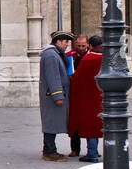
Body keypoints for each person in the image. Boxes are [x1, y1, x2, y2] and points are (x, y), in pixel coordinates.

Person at [39, 30, 74, 161]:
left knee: (52, 122)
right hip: (52, 96)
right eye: (66, 42)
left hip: (53, 94)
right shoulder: (51, 55)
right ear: (58, 41)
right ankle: (49, 151)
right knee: (51, 123)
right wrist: (58, 96)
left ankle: (49, 149)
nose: (67, 46)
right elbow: (53, 77)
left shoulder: (54, 54)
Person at [68, 35, 103, 161]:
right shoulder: (107, 58)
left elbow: (77, 78)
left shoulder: (88, 59)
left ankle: (92, 153)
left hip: (87, 98)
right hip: (102, 97)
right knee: (99, 124)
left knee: (91, 126)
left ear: (90, 46)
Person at [68, 34, 89, 157]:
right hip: (74, 92)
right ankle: (75, 149)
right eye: (79, 45)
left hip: (86, 93)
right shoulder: (71, 56)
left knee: (87, 122)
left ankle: (91, 149)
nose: (81, 48)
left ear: (87, 45)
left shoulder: (90, 56)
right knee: (74, 122)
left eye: (83, 46)